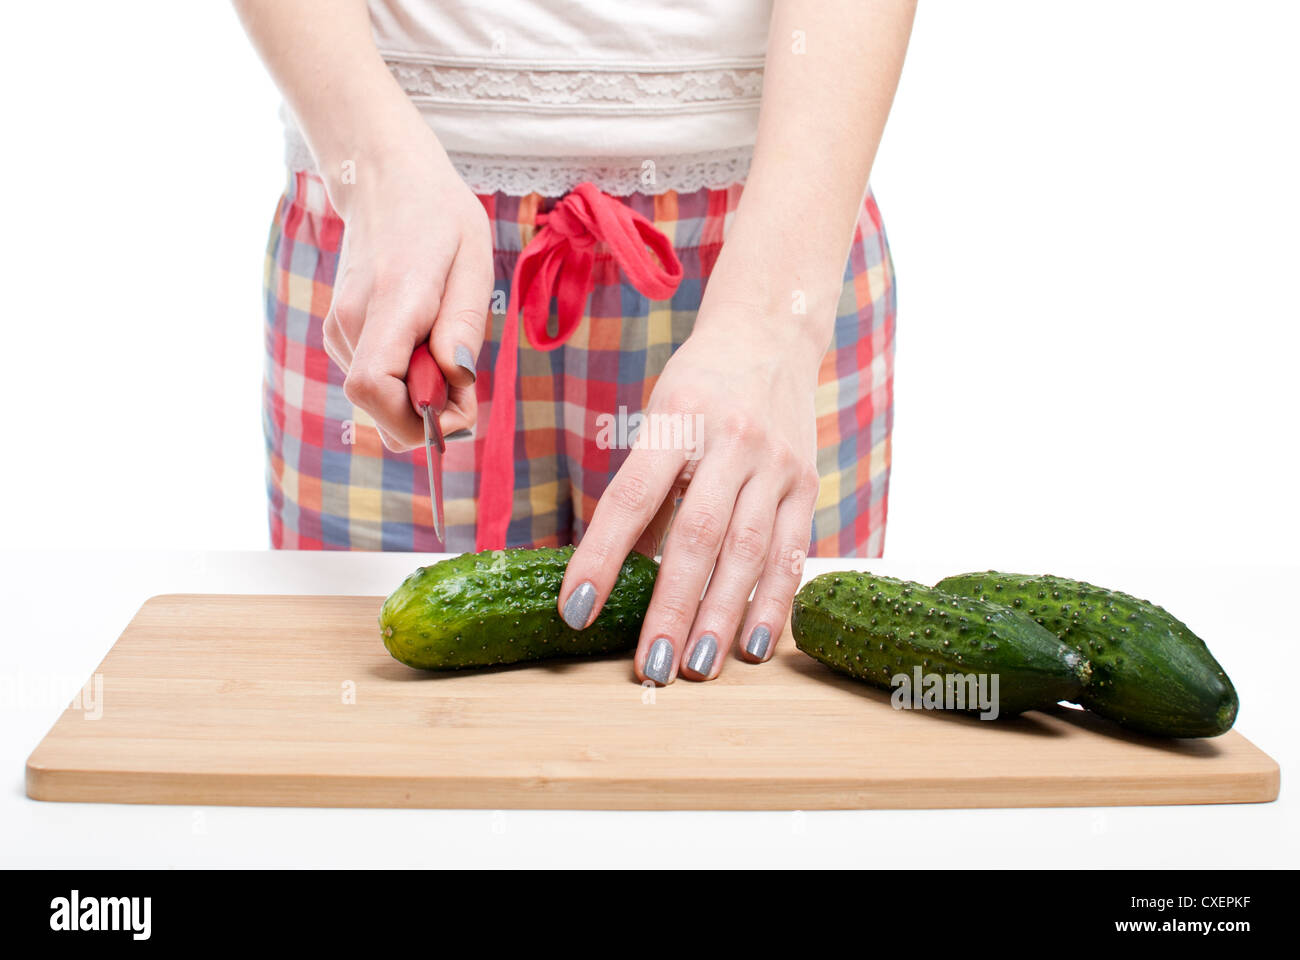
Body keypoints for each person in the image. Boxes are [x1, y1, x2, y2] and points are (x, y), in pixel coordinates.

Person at [234, 0, 915, 685]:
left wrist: (773, 316)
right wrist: (373, 167)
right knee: (370, 741)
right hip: (399, 242)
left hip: (768, 245)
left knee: (764, 738)